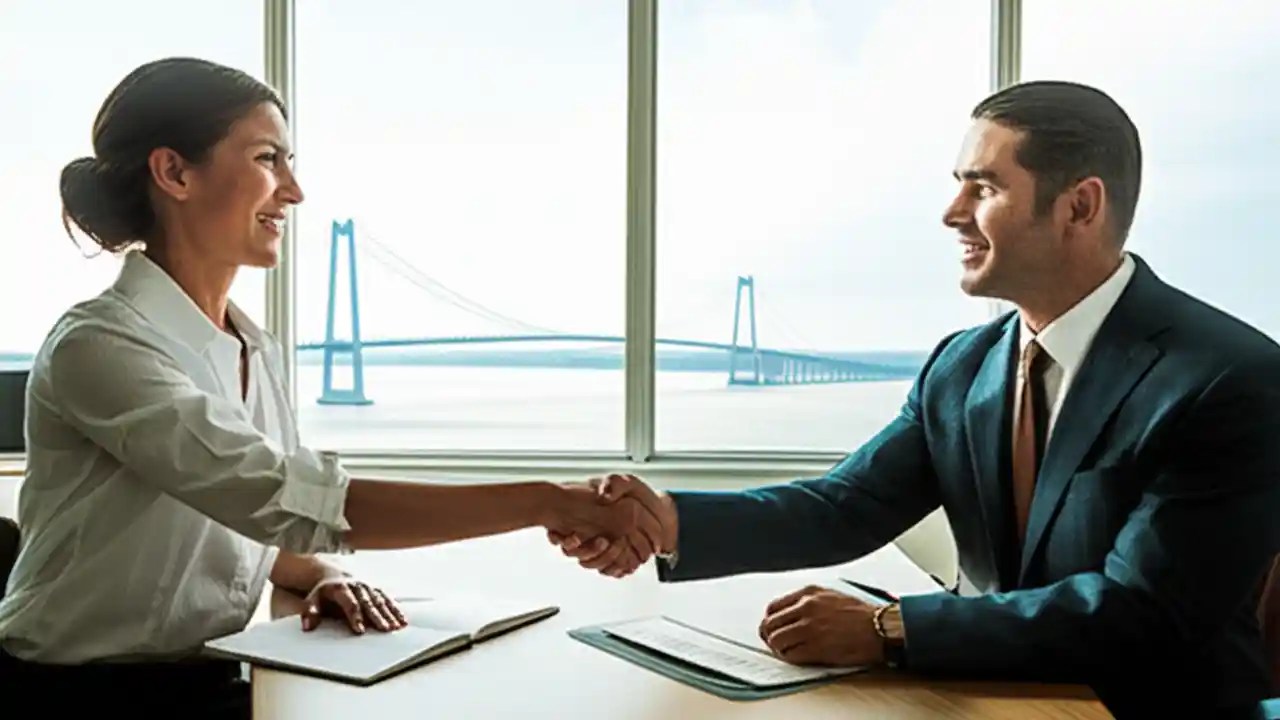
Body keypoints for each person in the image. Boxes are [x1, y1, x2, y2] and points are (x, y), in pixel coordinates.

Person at [554, 81, 1280, 718]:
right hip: (978, 697)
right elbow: (847, 506)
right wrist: (668, 520)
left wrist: (891, 630)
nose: (951, 212)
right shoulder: (963, 365)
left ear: (1079, 206)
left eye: (984, 187)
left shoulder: (1229, 377)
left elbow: (1142, 614)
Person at [0, 57, 660, 718]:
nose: (294, 190)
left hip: (205, 676)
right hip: (76, 693)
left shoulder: (253, 347)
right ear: (174, 173)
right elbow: (279, 499)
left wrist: (323, 573)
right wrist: (548, 503)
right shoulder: (101, 346)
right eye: (267, 158)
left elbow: (244, 525)